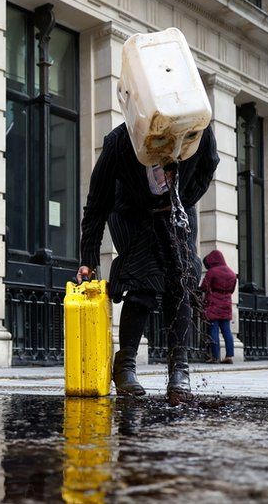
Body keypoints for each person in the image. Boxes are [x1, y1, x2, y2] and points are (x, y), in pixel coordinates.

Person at [77, 124, 218, 401]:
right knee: (144, 279)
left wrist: (185, 197)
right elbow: (97, 204)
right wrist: (88, 259)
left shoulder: (196, 128)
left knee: (181, 279)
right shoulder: (118, 142)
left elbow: (209, 165)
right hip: (132, 211)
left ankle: (180, 366)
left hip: (178, 209)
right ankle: (125, 363)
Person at [200, 250, 236, 363]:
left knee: (213, 330)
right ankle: (229, 356)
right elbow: (232, 289)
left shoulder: (212, 272)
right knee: (227, 331)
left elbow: (204, 287)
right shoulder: (231, 273)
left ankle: (215, 357)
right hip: (226, 304)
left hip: (213, 304)